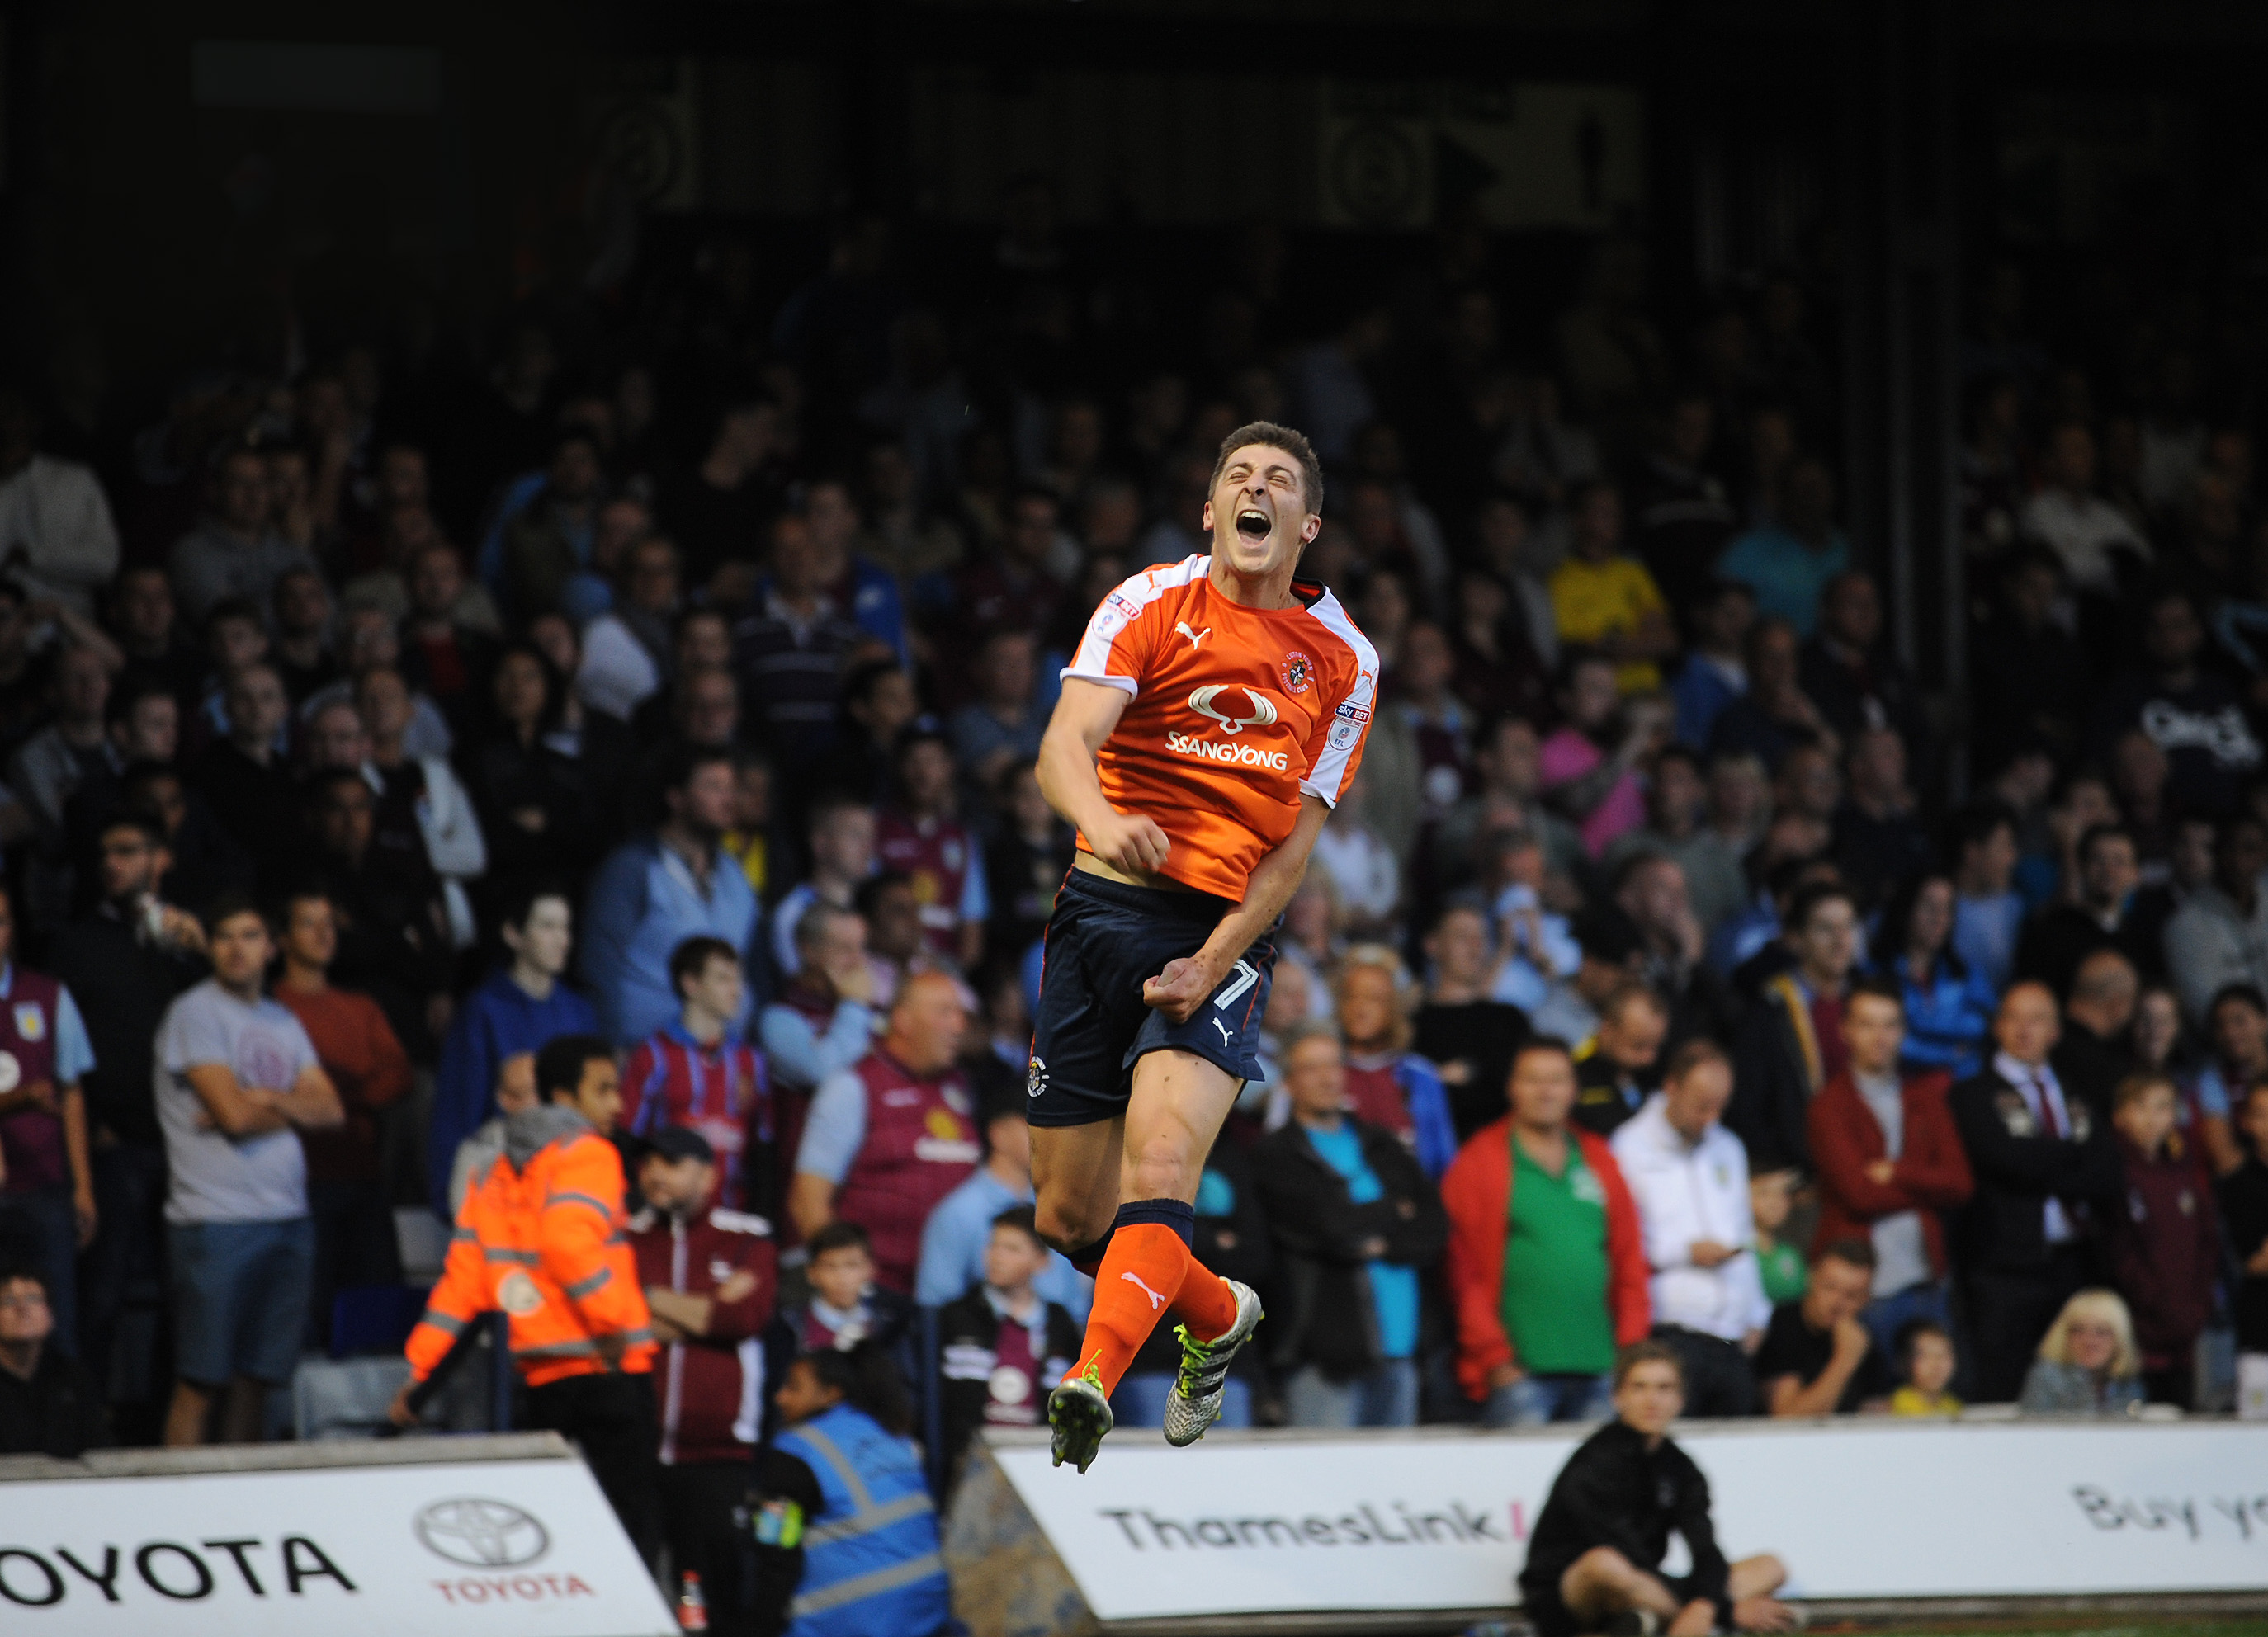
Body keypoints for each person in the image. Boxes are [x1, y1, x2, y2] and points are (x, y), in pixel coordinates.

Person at [1026, 422, 1376, 1470]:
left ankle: (1089, 1379)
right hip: (1099, 907)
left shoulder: (1346, 662)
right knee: (1066, 1214)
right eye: (1237, 477)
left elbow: (1290, 853)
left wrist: (1216, 958)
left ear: (1305, 527)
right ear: (1213, 512)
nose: (1254, 490)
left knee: (1164, 1162)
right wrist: (1107, 816)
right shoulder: (1149, 602)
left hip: (1215, 932)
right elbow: (1060, 749)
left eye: (1277, 482)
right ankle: (1217, 1314)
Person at [395, 1035, 662, 1564]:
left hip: (537, 1380)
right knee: (631, 1536)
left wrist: (419, 1372)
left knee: (549, 1542)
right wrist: (610, 1322)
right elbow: (567, 1243)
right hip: (605, 1369)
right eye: (603, 1090)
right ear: (564, 1097)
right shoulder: (589, 1153)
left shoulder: (497, 1170)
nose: (618, 1105)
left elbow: (462, 1286)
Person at [155, 895, 343, 1446]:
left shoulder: (282, 1019)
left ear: (272, 948)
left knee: (255, 1381)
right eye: (225, 937)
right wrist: (287, 1102)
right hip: (214, 1219)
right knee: (201, 1381)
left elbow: (331, 1110)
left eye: (250, 936)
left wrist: (269, 1097)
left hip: (286, 1215)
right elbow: (233, 1116)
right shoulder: (195, 1012)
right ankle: (178, 1501)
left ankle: (237, 1503)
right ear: (210, 948)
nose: (237, 949)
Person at [49, 811, 206, 1422]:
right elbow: (69, 1060)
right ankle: (90, 1422)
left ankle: (171, 1420)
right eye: (105, 854)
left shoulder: (190, 939)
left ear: (160, 858)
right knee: (103, 1296)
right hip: (115, 1145)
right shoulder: (76, 944)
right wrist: (90, 1135)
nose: (113, 864)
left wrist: (195, 951)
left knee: (183, 1296)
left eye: (128, 850)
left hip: (186, 1145)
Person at [1517, 1342, 1796, 1637]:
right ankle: (1704, 1626)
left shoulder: (1682, 1468)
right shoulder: (1593, 1460)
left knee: (1770, 1567)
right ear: (1617, 1398)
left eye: (1664, 1388)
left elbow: (1704, 1548)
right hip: (1571, 1595)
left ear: (1680, 1400)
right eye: (1640, 1387)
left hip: (1646, 1585)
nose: (1652, 1400)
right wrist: (1725, 1611)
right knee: (1605, 1564)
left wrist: (1704, 1602)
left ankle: (1645, 1624)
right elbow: (1622, 1550)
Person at [1443, 1038, 1650, 1427]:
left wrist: (1630, 1353)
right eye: (1533, 1080)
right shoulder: (1479, 1162)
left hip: (1601, 1372)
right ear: (1512, 1088)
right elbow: (1462, 1273)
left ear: (1574, 1089)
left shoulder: (1599, 1159)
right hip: (1519, 1376)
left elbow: (1630, 1260)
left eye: (1557, 1080)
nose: (1545, 1091)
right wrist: (1495, 1360)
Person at [1251, 1024, 1444, 1428]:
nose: (1326, 1077)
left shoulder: (1383, 1144)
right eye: (1311, 1068)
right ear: (1289, 1082)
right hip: (1325, 1359)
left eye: (1334, 1065)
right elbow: (1331, 1229)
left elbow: (1434, 1224)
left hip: (1403, 1352)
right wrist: (1395, 1210)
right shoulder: (1276, 1155)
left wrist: (1381, 1244)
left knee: (1394, 1486)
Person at [627, 1125, 777, 1624]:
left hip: (718, 1456)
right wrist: (706, 1310)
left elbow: (744, 1319)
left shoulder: (746, 1238)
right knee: (640, 1594)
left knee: (720, 1600)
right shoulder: (624, 1238)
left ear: (709, 1175)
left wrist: (647, 1297)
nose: (654, 1173)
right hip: (636, 1452)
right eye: (648, 1163)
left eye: (670, 1163)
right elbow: (617, 1327)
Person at [1949, 980, 2123, 1402]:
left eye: (2038, 1018)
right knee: (2001, 1388)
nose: (2025, 1029)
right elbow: (2005, 1159)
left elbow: (2107, 1173)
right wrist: (2069, 1156)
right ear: (1998, 1027)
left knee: (2072, 1388)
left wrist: (2039, 1158)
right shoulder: (1971, 1095)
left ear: (2056, 1031)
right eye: (2014, 1018)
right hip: (2002, 1270)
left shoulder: (2079, 1094)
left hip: (2073, 1266)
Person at [270, 887, 412, 1344]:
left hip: (362, 1177)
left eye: (329, 923)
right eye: (309, 923)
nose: (323, 933)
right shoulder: (270, 1009)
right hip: (298, 1182)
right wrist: (342, 1096)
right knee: (307, 1309)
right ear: (283, 938)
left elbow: (398, 1075)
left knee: (376, 1300)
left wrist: (333, 1101)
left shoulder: (361, 1007)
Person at [1807, 978, 1973, 1358]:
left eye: (1889, 1024)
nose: (1879, 1037)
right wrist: (1927, 1184)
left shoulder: (1925, 1099)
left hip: (1928, 1280)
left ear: (1902, 1031)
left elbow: (1961, 1184)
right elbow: (1859, 1194)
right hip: (1862, 1289)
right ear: (1845, 1031)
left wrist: (1899, 1172)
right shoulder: (1828, 1106)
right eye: (1867, 1024)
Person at [789, 972, 979, 1292]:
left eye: (960, 1014)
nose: (959, 1026)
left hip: (950, 1296)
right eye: (944, 1012)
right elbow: (807, 1202)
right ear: (903, 1020)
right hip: (877, 1296)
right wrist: (851, 1288)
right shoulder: (852, 1087)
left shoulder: (958, 1087)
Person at [1611, 1041, 1771, 1418]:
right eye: (1701, 1105)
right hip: (1670, 1330)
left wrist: (1757, 1314)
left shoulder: (1728, 1147)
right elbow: (1621, 1243)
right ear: (1672, 1087)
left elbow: (1742, 1231)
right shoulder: (1629, 1147)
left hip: (1733, 1335)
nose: (1711, 1118)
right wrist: (1685, 1252)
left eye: (1720, 1106)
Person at [755, 1345, 952, 1637]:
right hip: (928, 1612)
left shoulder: (797, 1453)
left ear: (831, 1394)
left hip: (851, 1620)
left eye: (794, 1388)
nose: (780, 1397)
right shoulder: (892, 1435)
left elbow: (776, 1554)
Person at [428, 883, 599, 1216]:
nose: (562, 939)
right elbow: (460, 1107)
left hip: (570, 1184)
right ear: (513, 934)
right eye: (547, 926)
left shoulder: (580, 1012)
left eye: (566, 927)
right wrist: (449, 1194)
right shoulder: (484, 1009)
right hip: (504, 1184)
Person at [583, 744, 760, 1045]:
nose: (728, 799)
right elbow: (600, 967)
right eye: (713, 787)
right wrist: (609, 1048)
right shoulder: (632, 868)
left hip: (722, 1060)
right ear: (676, 798)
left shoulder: (736, 874)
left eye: (732, 788)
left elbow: (753, 967)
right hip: (643, 1059)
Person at [0, 884, 97, 1356]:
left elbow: (71, 1091)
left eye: (0, 921)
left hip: (44, 1185)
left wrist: (83, 1185)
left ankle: (61, 1425)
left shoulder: (48, 995)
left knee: (56, 1323)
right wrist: (18, 1100)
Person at [622, 936, 774, 1219]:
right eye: (723, 979)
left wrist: (762, 1216)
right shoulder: (653, 1055)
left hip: (731, 1217)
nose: (736, 991)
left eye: (738, 980)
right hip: (663, 1218)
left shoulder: (751, 1061)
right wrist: (637, 1206)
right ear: (691, 984)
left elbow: (763, 1151)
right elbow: (627, 1139)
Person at [935, 1206, 1080, 1486]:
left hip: (1039, 1468)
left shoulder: (1060, 1324)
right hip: (968, 1466)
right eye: (993, 1245)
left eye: (1012, 1249)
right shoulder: (955, 1317)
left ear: (1041, 1262)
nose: (997, 1257)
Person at [2102, 1071, 2219, 1407]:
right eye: (2140, 1107)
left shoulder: (2184, 1171)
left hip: (2186, 1327)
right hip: (2138, 1330)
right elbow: (2119, 1252)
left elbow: (2207, 1245)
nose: (2152, 1118)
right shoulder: (2114, 1172)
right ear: (2119, 1115)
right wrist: (2158, 1305)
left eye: (2163, 1107)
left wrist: (2197, 1305)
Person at [915, 1096, 1089, 1320]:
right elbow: (934, 1312)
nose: (1048, 1137)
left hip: (1058, 1346)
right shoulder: (958, 1213)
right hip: (980, 1348)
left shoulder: (1057, 1206)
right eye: (1034, 1125)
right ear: (999, 1134)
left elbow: (1073, 1304)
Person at [1730, 880, 1860, 1173]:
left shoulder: (1870, 999)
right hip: (1805, 1176)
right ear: (1796, 939)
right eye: (1826, 929)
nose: (1841, 940)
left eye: (1849, 926)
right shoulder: (1768, 1012)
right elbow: (1749, 1111)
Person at [1330, 944, 1457, 1177]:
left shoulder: (1421, 1077)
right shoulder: (1319, 1070)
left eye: (1374, 999)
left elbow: (1444, 1163)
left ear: (1396, 1007)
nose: (1360, 1008)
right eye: (1352, 996)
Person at [1414, 902, 1534, 1141]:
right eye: (1462, 936)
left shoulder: (1511, 1019)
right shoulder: (1412, 1026)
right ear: (1432, 945)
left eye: (1482, 937)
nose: (1476, 945)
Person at [1545, 481, 1676, 695]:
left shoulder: (1633, 572)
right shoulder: (1560, 580)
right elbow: (1572, 648)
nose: (1614, 519)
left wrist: (1616, 646)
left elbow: (1667, 640)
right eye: (1602, 512)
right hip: (1599, 699)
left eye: (1616, 512)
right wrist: (1639, 644)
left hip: (1646, 694)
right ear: (1577, 519)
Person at [1872, 872, 1998, 1081]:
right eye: (1929, 906)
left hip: (1963, 1089)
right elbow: (1890, 1043)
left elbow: (1992, 1027)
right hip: (1899, 1088)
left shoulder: (1967, 974)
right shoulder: (1876, 974)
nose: (1939, 918)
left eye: (1947, 908)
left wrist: (1918, 1029)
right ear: (1906, 908)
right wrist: (1952, 1050)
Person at [2014, 823, 2156, 998]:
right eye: (2098, 860)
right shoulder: (2049, 931)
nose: (2108, 871)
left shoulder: (2144, 939)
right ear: (2082, 867)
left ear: (2135, 874)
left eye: (2119, 861)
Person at [1753, 1238, 1892, 1416]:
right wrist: (1845, 1360)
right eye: (1830, 1287)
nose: (1837, 1303)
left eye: (1851, 1295)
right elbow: (1786, 1418)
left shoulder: (1863, 1337)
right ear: (1811, 1278)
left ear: (1866, 1300)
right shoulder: (1782, 1324)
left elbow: (1878, 1420)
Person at [2166, 813, 2268, 1026]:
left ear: (2264, 854)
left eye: (2250, 849)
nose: (2239, 861)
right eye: (2230, 849)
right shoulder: (2186, 926)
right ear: (2217, 854)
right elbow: (2206, 1013)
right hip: (2222, 1051)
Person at [0, 1262, 108, 1456]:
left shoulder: (74, 1381)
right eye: (8, 1301)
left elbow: (99, 1453)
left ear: (51, 1316)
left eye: (33, 1298)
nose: (22, 1308)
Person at [787, 1219, 916, 1365]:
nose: (842, 1279)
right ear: (811, 1273)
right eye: (830, 1267)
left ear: (870, 1269)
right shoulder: (789, 1326)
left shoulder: (893, 1325)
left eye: (852, 1265)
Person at [2017, 1288, 2146, 1417]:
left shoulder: (2128, 1382)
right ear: (2063, 1336)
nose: (2089, 1341)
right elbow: (2032, 1433)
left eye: (2101, 1332)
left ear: (2120, 1339)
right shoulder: (2046, 1378)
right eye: (2078, 1330)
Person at [2217, 1079, 2268, 1377]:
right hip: (2259, 1332)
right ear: (2247, 1122)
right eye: (2263, 1114)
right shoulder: (2239, 1187)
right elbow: (2253, 1262)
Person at [1571, 983, 1667, 1139]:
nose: (1650, 1058)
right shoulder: (1574, 1077)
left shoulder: (1655, 1074)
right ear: (1607, 1030)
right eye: (1638, 1046)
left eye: (1656, 1046)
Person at [1748, 1170, 1807, 1306]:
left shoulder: (1791, 1254)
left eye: (1784, 1193)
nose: (1775, 1202)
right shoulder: (1734, 1251)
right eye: (1764, 1193)